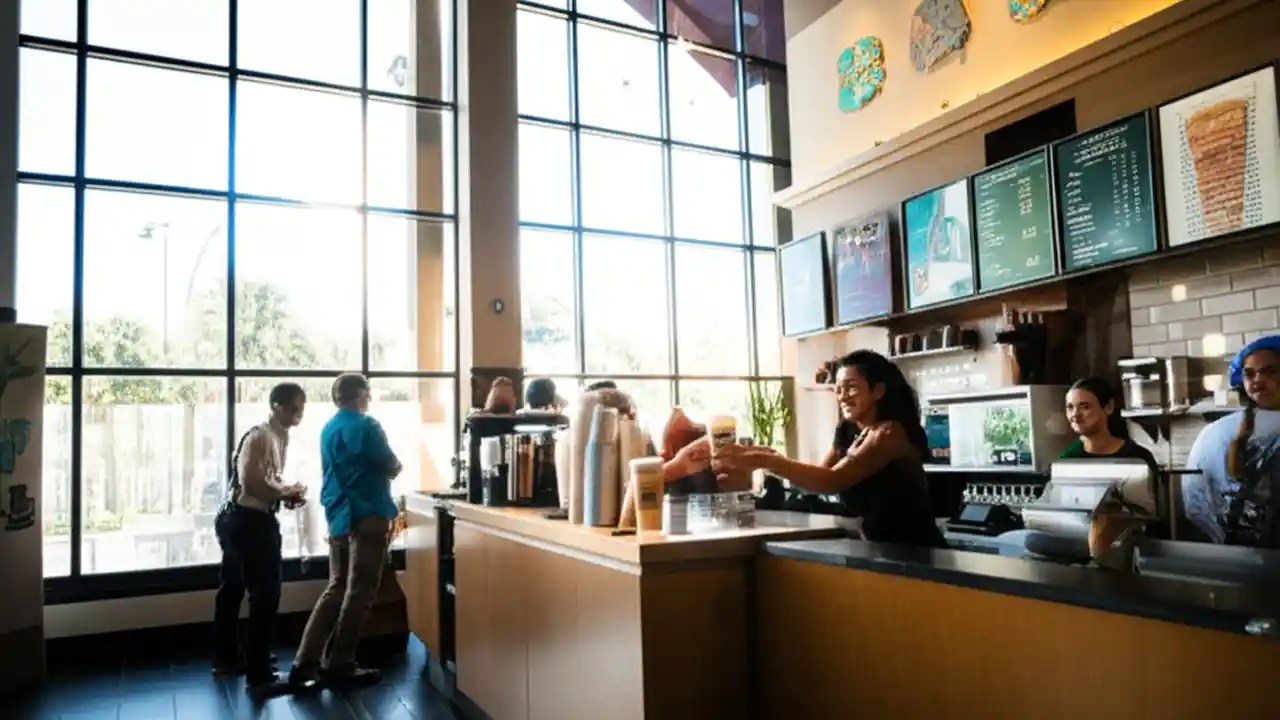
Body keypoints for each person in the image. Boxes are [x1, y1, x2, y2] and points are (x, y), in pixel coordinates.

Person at [713, 350, 945, 547]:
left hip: (918, 549)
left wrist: (767, 460)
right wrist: (767, 458)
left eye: (851, 388)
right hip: (878, 546)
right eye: (838, 389)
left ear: (878, 391)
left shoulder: (890, 433)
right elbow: (815, 482)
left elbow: (832, 480)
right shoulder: (847, 431)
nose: (842, 397)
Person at [289, 373, 401, 688]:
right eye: (367, 392)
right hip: (368, 514)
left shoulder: (329, 428)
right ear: (360, 394)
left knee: (337, 587)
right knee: (361, 591)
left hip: (338, 515)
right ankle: (341, 662)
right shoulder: (368, 426)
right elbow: (391, 464)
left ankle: (305, 661)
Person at [212, 383, 308, 688]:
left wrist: (283, 492)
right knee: (265, 594)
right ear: (276, 406)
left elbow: (263, 481)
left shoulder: (277, 436)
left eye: (302, 407)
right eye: (294, 407)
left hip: (237, 518)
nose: (299, 413)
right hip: (249, 521)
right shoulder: (262, 436)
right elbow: (253, 484)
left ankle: (229, 659)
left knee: (234, 589)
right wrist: (285, 494)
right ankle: (258, 671)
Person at [1185, 335, 1280, 547]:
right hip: (1243, 559)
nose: (1257, 380)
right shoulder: (1219, 433)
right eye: (1249, 374)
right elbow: (1196, 502)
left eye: (1270, 371)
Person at [1059, 377, 1158, 467]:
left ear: (1109, 407)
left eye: (1085, 407)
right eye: (1070, 407)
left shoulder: (1137, 459)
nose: (1075, 414)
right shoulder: (1067, 459)